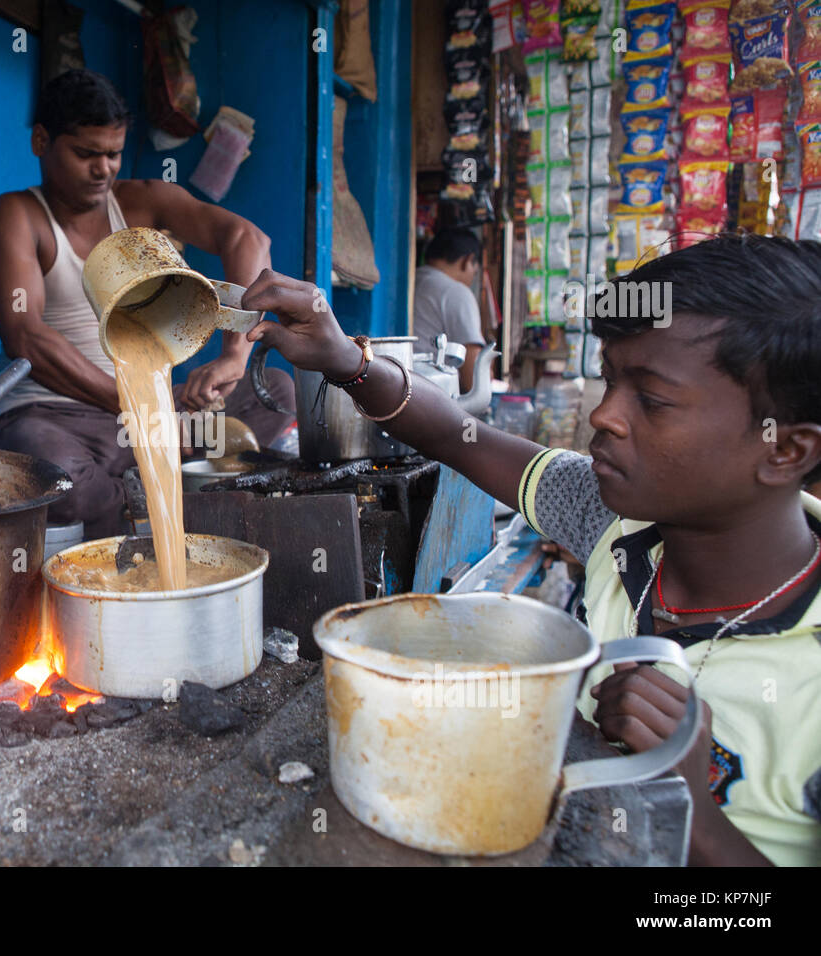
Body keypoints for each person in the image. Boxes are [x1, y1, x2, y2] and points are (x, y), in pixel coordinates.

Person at [242, 234, 821, 867]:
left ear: (786, 449)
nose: (605, 416)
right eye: (610, 380)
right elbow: (458, 436)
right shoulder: (613, 521)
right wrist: (345, 360)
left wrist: (690, 805)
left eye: (651, 399)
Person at [0, 69, 295, 537]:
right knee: (50, 471)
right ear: (42, 141)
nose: (103, 169)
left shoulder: (139, 202)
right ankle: (148, 505)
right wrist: (142, 407)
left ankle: (147, 496)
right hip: (58, 416)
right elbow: (26, 337)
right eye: (86, 153)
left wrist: (233, 355)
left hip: (150, 415)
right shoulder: (18, 216)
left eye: (113, 154)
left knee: (275, 393)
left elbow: (246, 237)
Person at [414, 227, 488, 392]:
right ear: (467, 261)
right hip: (431, 397)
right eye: (474, 272)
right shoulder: (457, 292)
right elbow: (474, 381)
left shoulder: (412, 279)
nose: (471, 279)